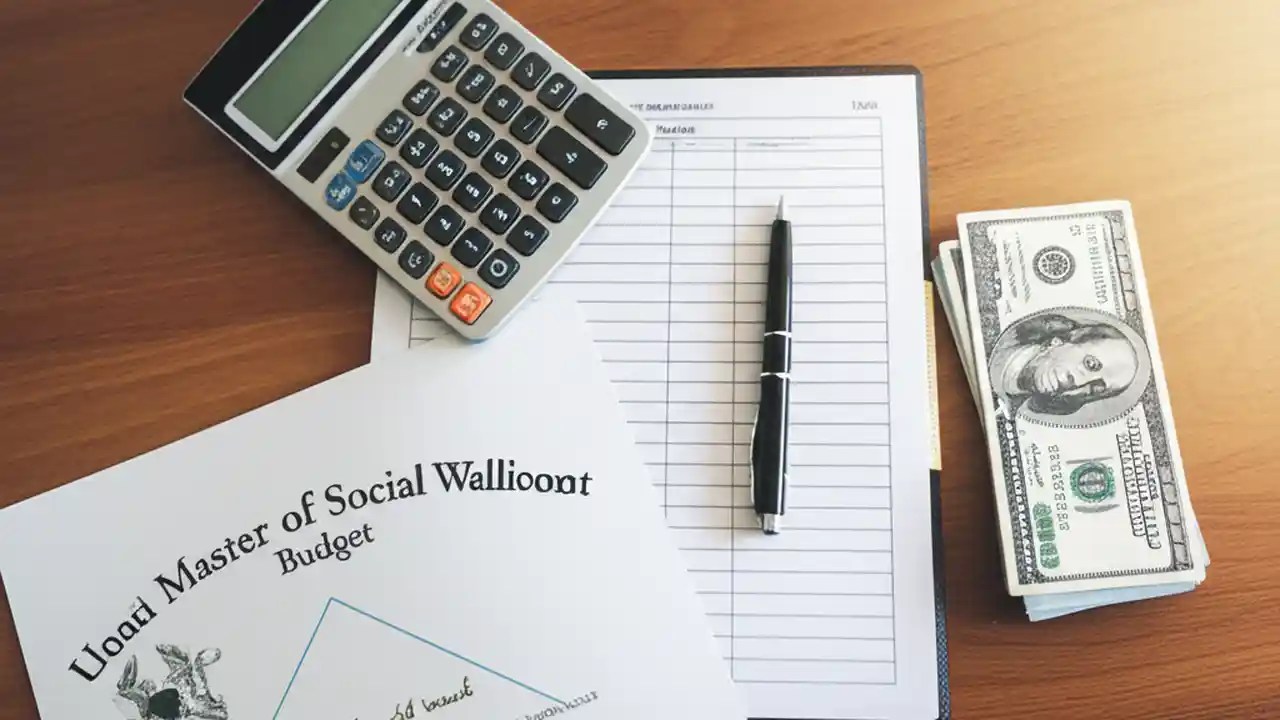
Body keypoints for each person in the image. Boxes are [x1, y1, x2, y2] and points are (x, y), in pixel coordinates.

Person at [989, 313, 1139, 416]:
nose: (1079, 382)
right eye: (1090, 364)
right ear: (1059, 341)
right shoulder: (993, 342)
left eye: (1094, 389)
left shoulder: (1006, 414)